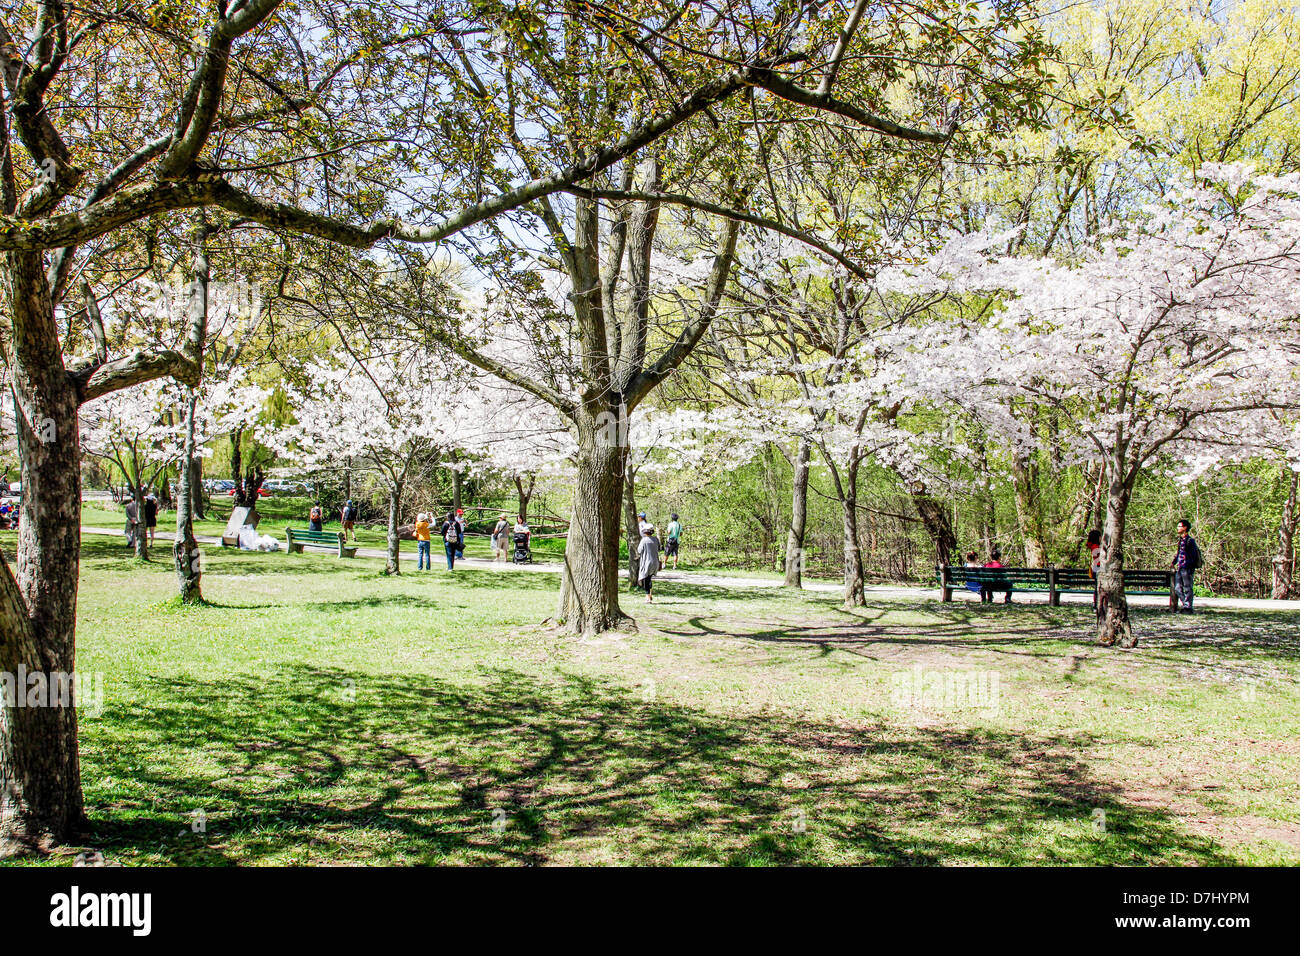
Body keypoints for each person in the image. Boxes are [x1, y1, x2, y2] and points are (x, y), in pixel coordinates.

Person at [1171, 519, 1202, 613]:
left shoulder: (1190, 541)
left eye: (1179, 526)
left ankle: (1188, 607)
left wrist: (1189, 566)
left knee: (1188, 588)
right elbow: (1178, 553)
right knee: (1177, 588)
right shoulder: (1181, 540)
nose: (1177, 528)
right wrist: (1173, 563)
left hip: (1187, 568)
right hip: (1180, 567)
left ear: (1185, 528)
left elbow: (1193, 555)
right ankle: (1186, 605)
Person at [637, 524, 661, 602]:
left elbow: (639, 550)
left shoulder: (644, 540)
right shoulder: (655, 539)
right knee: (649, 578)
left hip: (646, 562)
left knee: (646, 579)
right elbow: (659, 548)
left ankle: (647, 596)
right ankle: (650, 594)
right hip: (655, 562)